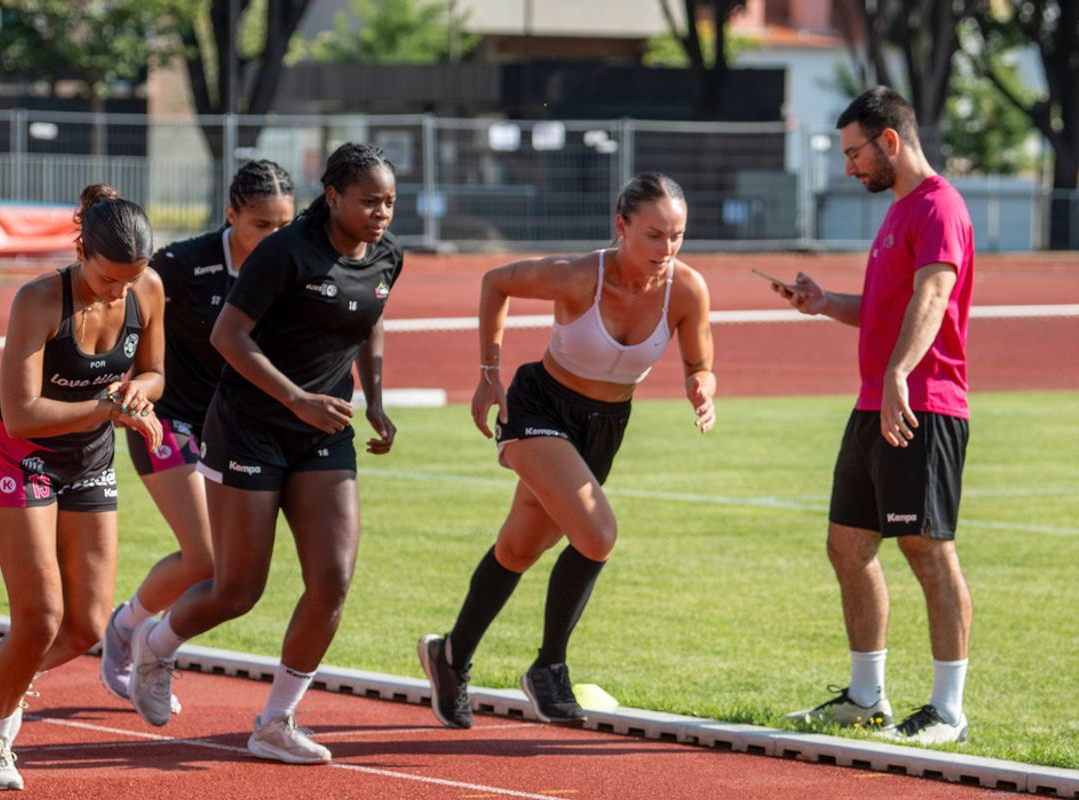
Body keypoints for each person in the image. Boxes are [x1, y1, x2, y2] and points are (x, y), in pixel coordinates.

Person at [125, 143, 402, 765]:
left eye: (388, 201)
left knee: (331, 580)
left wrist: (376, 400)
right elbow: (229, 335)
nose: (381, 212)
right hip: (249, 427)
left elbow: (372, 317)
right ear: (332, 196)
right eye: (368, 201)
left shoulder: (387, 254)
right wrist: (296, 396)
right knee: (237, 589)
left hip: (323, 431)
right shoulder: (286, 251)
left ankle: (275, 721)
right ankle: (156, 643)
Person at [418, 172, 716, 729]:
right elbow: (495, 282)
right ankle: (549, 667)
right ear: (621, 227)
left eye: (676, 236)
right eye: (653, 235)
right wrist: (488, 373)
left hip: (605, 426)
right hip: (540, 409)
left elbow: (701, 362)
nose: (666, 249)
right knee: (598, 533)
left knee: (518, 549)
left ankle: (450, 656)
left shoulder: (687, 289)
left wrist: (702, 386)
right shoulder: (580, 276)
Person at [779, 86, 975, 746]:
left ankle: (948, 711)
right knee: (848, 545)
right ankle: (866, 699)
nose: (849, 167)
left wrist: (898, 374)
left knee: (928, 552)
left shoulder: (940, 207)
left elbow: (935, 293)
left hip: (923, 405)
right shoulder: (898, 213)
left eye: (854, 153)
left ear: (889, 142)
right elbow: (887, 307)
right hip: (875, 406)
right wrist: (825, 301)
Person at [0, 185, 165, 790]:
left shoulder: (147, 288)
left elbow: (155, 373)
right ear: (82, 251)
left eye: (130, 279)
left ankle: (12, 660)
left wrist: (140, 393)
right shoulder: (38, 300)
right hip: (18, 454)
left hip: (88, 456)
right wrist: (109, 406)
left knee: (84, 626)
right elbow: (22, 412)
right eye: (109, 279)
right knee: (42, 616)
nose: (120, 290)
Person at [99, 160, 297, 706]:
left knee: (228, 566)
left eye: (286, 224)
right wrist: (127, 386)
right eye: (262, 225)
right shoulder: (185, 265)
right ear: (231, 214)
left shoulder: (294, 266)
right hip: (169, 422)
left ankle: (131, 627)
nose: (276, 237)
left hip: (234, 430)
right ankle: (129, 629)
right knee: (205, 556)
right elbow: (119, 312)